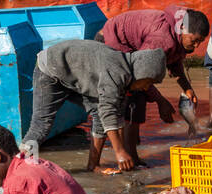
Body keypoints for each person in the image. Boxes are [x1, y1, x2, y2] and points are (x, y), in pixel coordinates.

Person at [22, 40, 168, 172]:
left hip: (73, 74)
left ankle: (93, 165)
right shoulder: (117, 71)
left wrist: (125, 150)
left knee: (98, 113)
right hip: (50, 69)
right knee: (41, 125)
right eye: (148, 83)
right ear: (141, 74)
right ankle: (18, 167)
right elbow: (108, 111)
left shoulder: (126, 75)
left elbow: (116, 114)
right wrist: (119, 152)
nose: (145, 88)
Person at [99, 6, 210, 165]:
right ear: (183, 29)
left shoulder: (179, 34)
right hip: (111, 42)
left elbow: (175, 62)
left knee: (137, 98)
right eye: (194, 41)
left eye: (200, 42)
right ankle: (129, 157)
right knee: (134, 97)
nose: (197, 46)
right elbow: (141, 76)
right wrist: (161, 101)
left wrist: (187, 88)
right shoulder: (162, 39)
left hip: (134, 49)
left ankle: (131, 144)